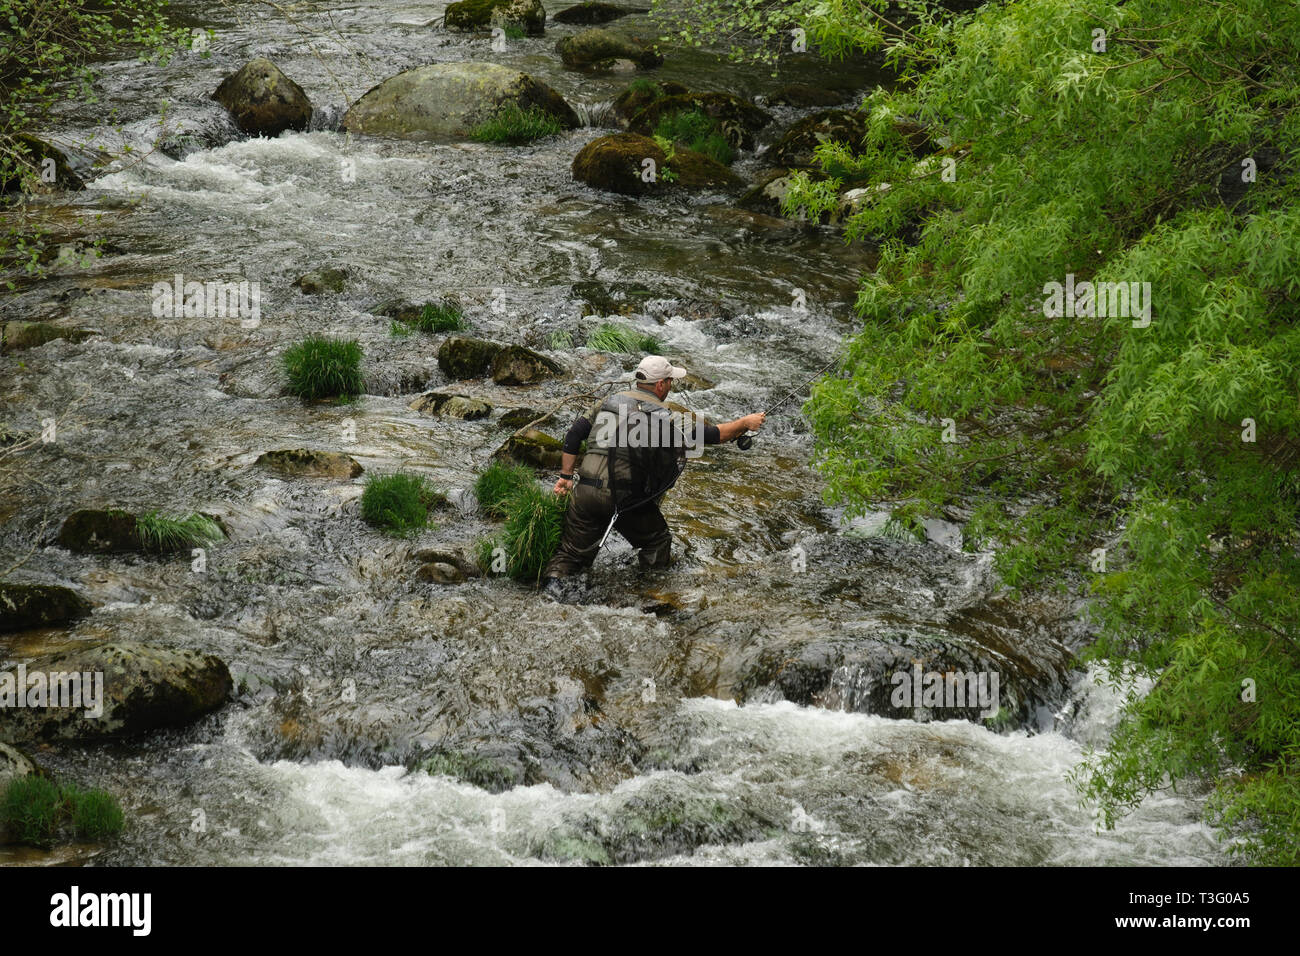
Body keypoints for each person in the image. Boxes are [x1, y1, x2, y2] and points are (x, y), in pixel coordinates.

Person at [541, 355, 765, 596]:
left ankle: (551, 592)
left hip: (584, 490)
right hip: (624, 498)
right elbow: (714, 435)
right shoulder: (666, 417)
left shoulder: (607, 401)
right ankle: (649, 595)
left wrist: (565, 477)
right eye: (670, 381)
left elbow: (574, 435)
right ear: (660, 385)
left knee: (570, 554)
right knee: (657, 541)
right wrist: (745, 422)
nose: (670, 386)